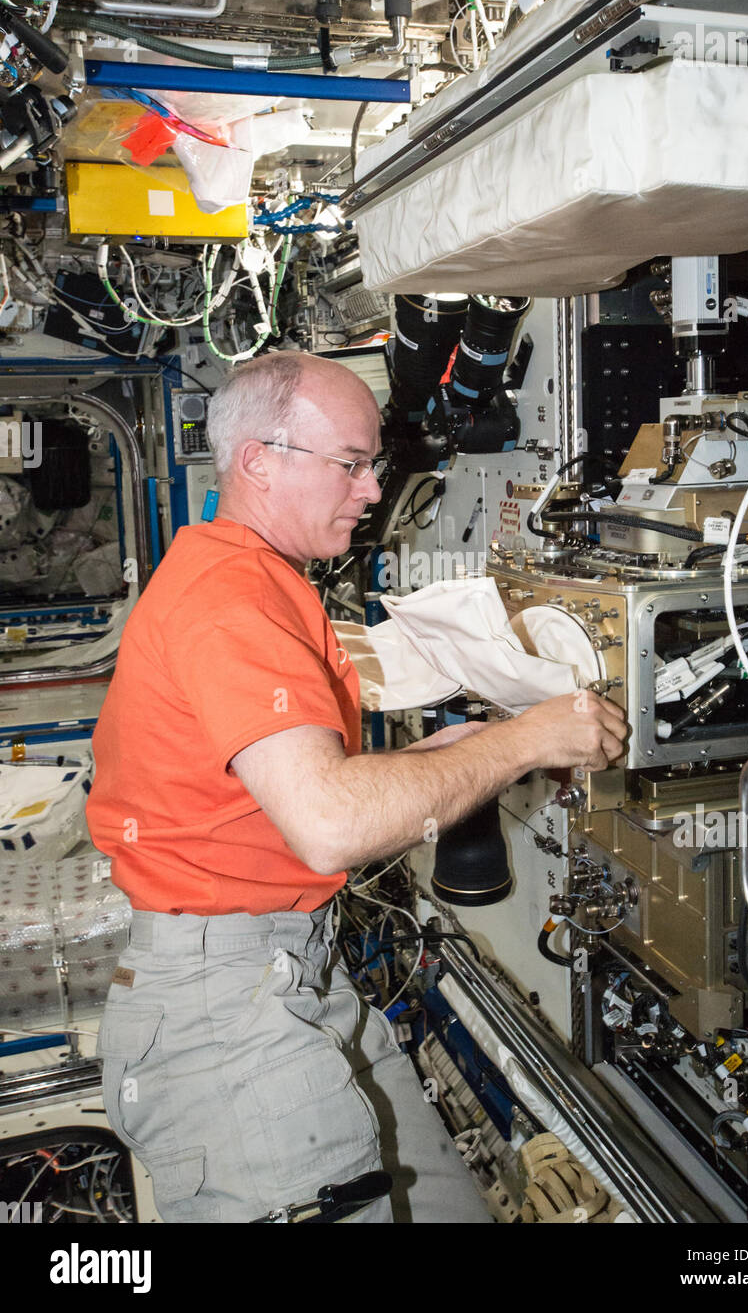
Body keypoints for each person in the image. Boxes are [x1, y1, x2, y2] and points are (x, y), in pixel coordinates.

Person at [86, 349, 628, 1224]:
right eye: (352, 464)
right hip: (225, 1017)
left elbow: (305, 787)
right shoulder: (232, 598)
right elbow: (329, 823)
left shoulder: (246, 579)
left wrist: (476, 747)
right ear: (260, 461)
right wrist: (526, 736)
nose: (373, 490)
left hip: (285, 974)